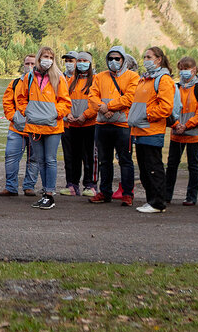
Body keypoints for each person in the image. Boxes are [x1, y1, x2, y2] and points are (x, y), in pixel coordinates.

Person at [106, 46, 174, 214]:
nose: (145, 60)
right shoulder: (145, 80)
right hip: (140, 131)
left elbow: (165, 108)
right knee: (144, 168)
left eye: (149, 57)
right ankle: (152, 200)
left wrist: (146, 116)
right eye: (144, 56)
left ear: (158, 59)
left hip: (152, 130)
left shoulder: (163, 80)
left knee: (153, 167)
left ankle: (158, 202)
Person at [15, 46, 71, 210]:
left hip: (53, 126)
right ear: (39, 58)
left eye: (51, 57)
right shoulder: (29, 77)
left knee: (50, 160)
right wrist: (27, 112)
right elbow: (20, 98)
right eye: (45, 56)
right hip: (34, 126)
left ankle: (49, 194)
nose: (48, 59)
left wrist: (55, 114)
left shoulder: (59, 78)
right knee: (40, 161)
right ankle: (45, 193)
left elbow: (65, 102)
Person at [88, 46, 138, 205]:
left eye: (117, 58)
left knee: (125, 160)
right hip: (102, 124)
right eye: (111, 59)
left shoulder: (133, 77)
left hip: (123, 125)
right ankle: (105, 192)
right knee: (104, 160)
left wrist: (108, 107)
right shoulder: (100, 77)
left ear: (123, 60)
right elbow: (92, 96)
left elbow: (130, 98)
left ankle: (128, 194)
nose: (114, 62)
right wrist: (102, 107)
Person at [165, 56, 198, 206]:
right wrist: (176, 124)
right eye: (181, 69)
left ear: (194, 69)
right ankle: (167, 194)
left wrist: (188, 125)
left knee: (193, 165)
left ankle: (191, 196)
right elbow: (169, 109)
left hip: (194, 134)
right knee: (172, 164)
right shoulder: (175, 87)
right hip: (177, 133)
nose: (184, 71)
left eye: (187, 68)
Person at [0, 54, 40, 197]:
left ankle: (29, 186)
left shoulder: (43, 83)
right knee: (10, 157)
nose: (30, 66)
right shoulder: (15, 83)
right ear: (23, 65)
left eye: (33, 64)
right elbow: (7, 102)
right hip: (16, 128)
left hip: (36, 129)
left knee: (34, 159)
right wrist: (13, 117)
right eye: (27, 63)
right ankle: (10, 186)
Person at [60, 51, 98, 197]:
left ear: (90, 63)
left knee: (90, 156)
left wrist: (85, 116)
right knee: (71, 156)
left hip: (90, 124)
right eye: (79, 60)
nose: (81, 63)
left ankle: (91, 184)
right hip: (72, 125)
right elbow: (63, 99)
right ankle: (72, 184)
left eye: (84, 60)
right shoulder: (70, 81)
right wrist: (67, 114)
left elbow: (96, 102)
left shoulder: (95, 80)